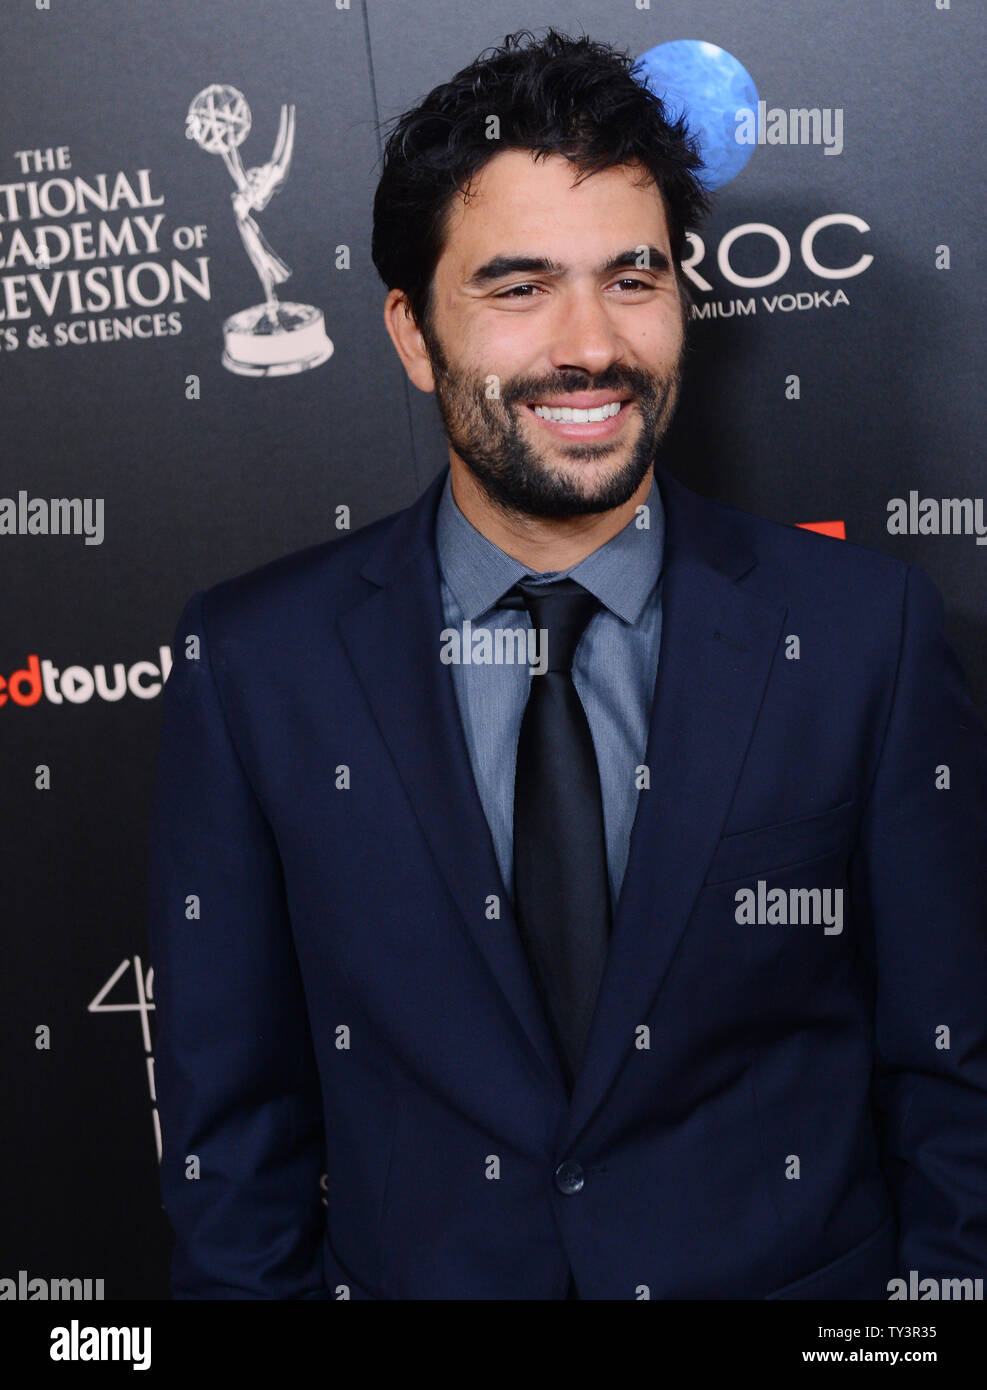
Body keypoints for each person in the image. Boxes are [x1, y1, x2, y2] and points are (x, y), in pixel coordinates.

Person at [148, 28, 987, 1299]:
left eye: (633, 277)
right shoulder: (258, 662)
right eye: (519, 285)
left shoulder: (865, 633)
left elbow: (956, 1083)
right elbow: (232, 1142)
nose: (589, 344)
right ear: (415, 333)